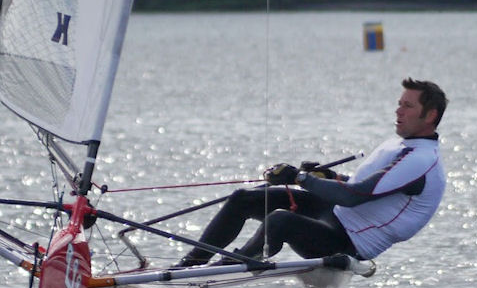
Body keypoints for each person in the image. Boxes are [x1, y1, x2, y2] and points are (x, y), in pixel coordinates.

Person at [176, 78, 447, 267]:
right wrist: (328, 178)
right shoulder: (401, 144)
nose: (398, 110)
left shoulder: (421, 160)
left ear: (430, 115)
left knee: (279, 221)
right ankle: (191, 264)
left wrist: (300, 178)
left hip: (349, 242)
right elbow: (357, 185)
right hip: (334, 214)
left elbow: (355, 195)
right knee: (244, 198)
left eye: (408, 106)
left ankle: (227, 266)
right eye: (399, 103)